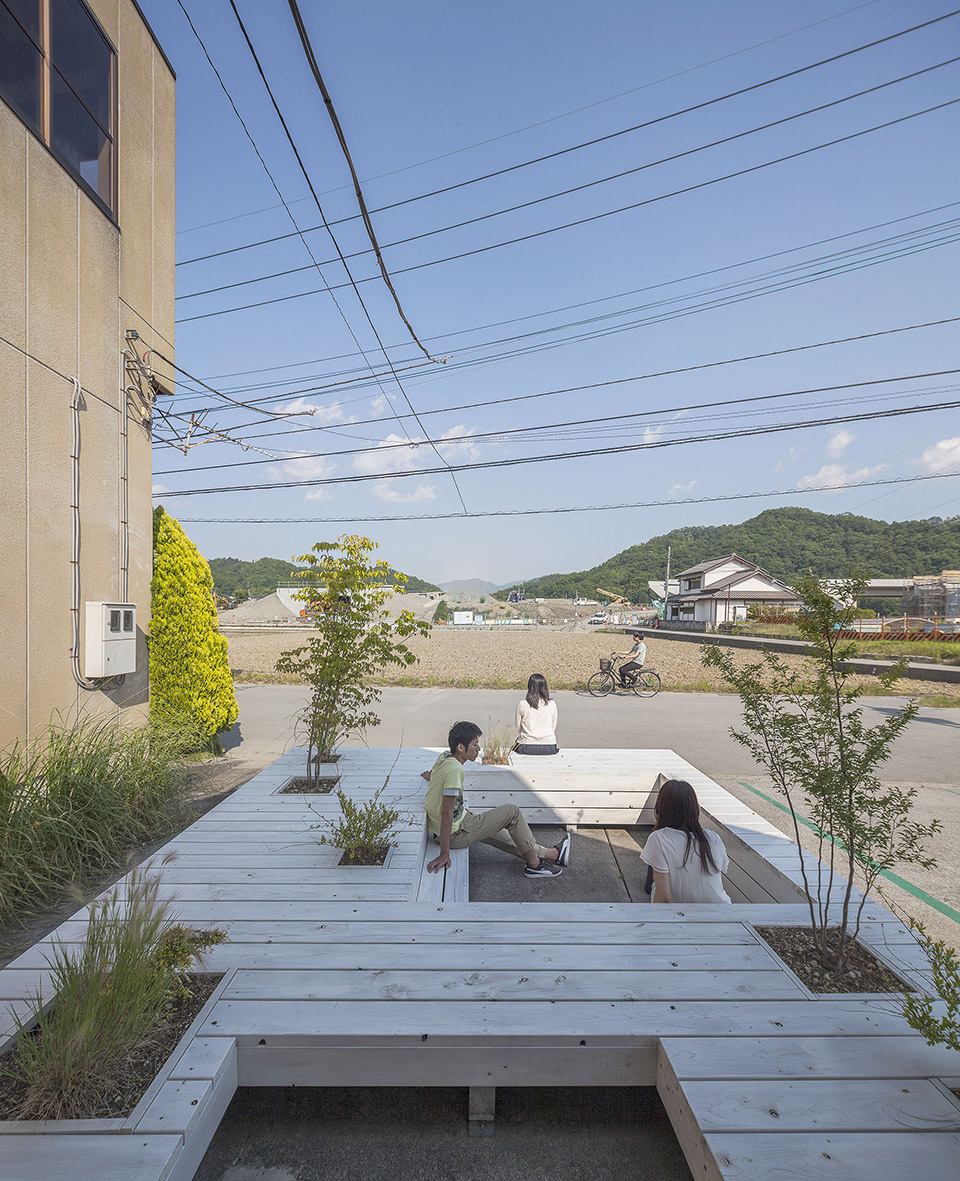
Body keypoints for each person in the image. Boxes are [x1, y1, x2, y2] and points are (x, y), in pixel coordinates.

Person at [421, 721, 570, 878]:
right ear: (460, 747)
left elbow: (436, 774)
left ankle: (553, 854)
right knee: (512, 812)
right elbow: (447, 812)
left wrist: (430, 776)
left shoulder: (444, 757)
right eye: (475, 744)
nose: (479, 749)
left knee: (508, 836)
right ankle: (535, 865)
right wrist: (445, 853)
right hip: (456, 832)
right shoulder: (455, 769)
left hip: (455, 825)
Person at [639, 779, 730, 903]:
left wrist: (654, 921)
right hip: (722, 912)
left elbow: (663, 896)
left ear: (661, 808)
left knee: (655, 886)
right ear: (694, 808)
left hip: (681, 915)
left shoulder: (658, 838)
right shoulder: (713, 837)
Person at [514, 673, 558, 755]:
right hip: (549, 745)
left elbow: (519, 727)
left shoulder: (522, 704)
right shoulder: (552, 704)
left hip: (526, 745)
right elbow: (553, 727)